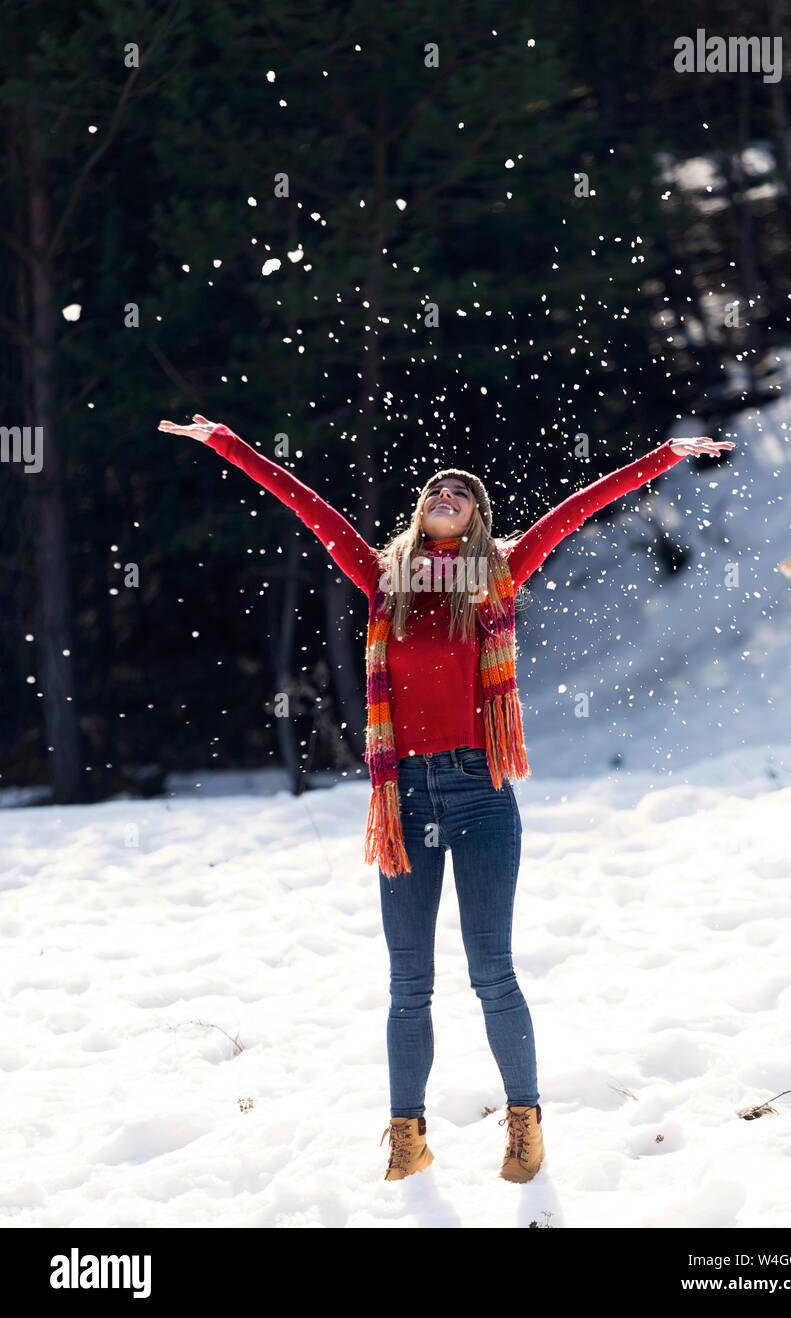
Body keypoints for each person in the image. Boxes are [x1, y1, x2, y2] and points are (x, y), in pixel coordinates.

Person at [159, 412, 733, 1183]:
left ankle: (524, 1121)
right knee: (407, 984)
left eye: (464, 491)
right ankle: (406, 1132)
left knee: (491, 971)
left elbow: (577, 508)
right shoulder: (383, 578)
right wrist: (229, 443)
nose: (448, 492)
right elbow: (307, 505)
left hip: (480, 789)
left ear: (478, 519)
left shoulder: (498, 573)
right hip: (405, 801)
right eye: (438, 487)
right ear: (421, 509)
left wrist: (663, 456)